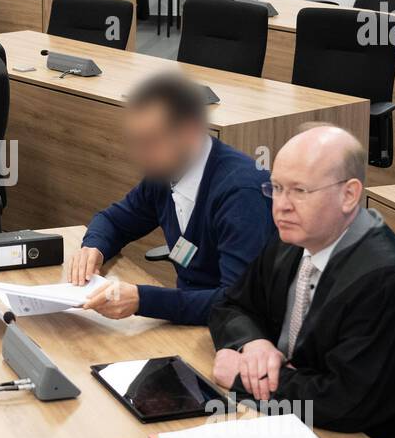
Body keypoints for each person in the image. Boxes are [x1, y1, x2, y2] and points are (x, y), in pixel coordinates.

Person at [208, 125, 395, 435]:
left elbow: (345, 402)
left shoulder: (390, 282)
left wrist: (244, 379)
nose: (281, 205)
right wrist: (253, 345)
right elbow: (230, 304)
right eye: (277, 188)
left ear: (349, 195)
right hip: (308, 421)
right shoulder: (295, 238)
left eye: (300, 191)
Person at [69, 73, 274, 325]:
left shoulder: (241, 194)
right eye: (136, 142)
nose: (140, 155)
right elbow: (113, 220)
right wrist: (94, 248)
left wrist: (142, 300)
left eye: (151, 142)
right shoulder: (165, 173)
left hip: (235, 333)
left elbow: (236, 303)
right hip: (189, 320)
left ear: (190, 132)